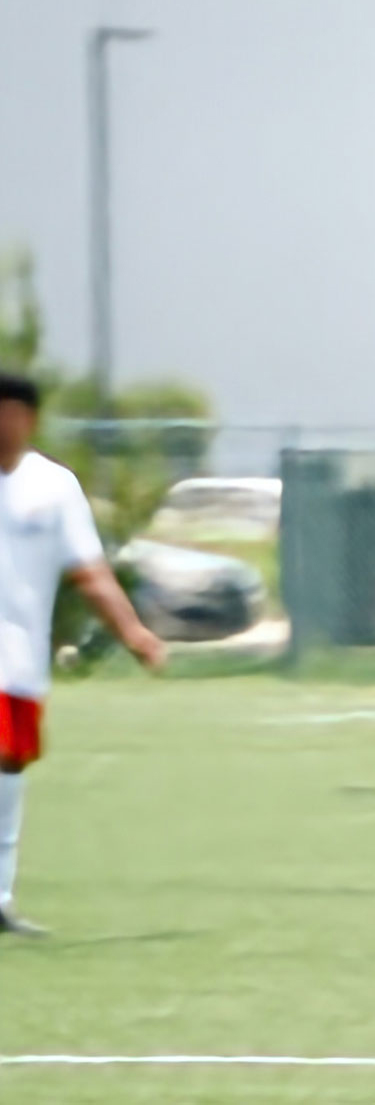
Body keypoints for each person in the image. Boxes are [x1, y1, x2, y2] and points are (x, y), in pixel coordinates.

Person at [0, 371, 166, 937]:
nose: (7, 425)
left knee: (9, 770)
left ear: (31, 419)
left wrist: (134, 633)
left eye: (15, 413)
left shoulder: (53, 486)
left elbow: (90, 574)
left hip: (21, 662)